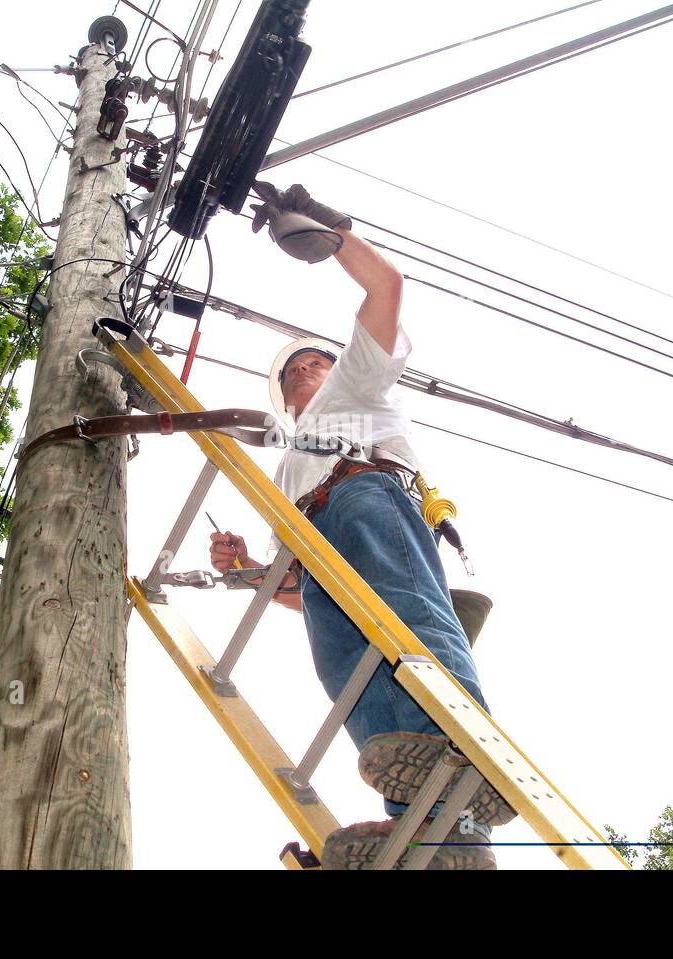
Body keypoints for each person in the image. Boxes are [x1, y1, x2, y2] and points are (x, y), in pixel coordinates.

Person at [208, 183, 513, 870]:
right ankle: (419, 819)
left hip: (367, 493)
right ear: (286, 398)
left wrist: (330, 231)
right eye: (296, 371)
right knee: (348, 670)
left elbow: (386, 286)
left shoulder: (357, 386)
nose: (309, 370)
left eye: (316, 360)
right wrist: (245, 571)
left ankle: (463, 811)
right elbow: (285, 584)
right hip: (316, 551)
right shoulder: (286, 468)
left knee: (409, 625)